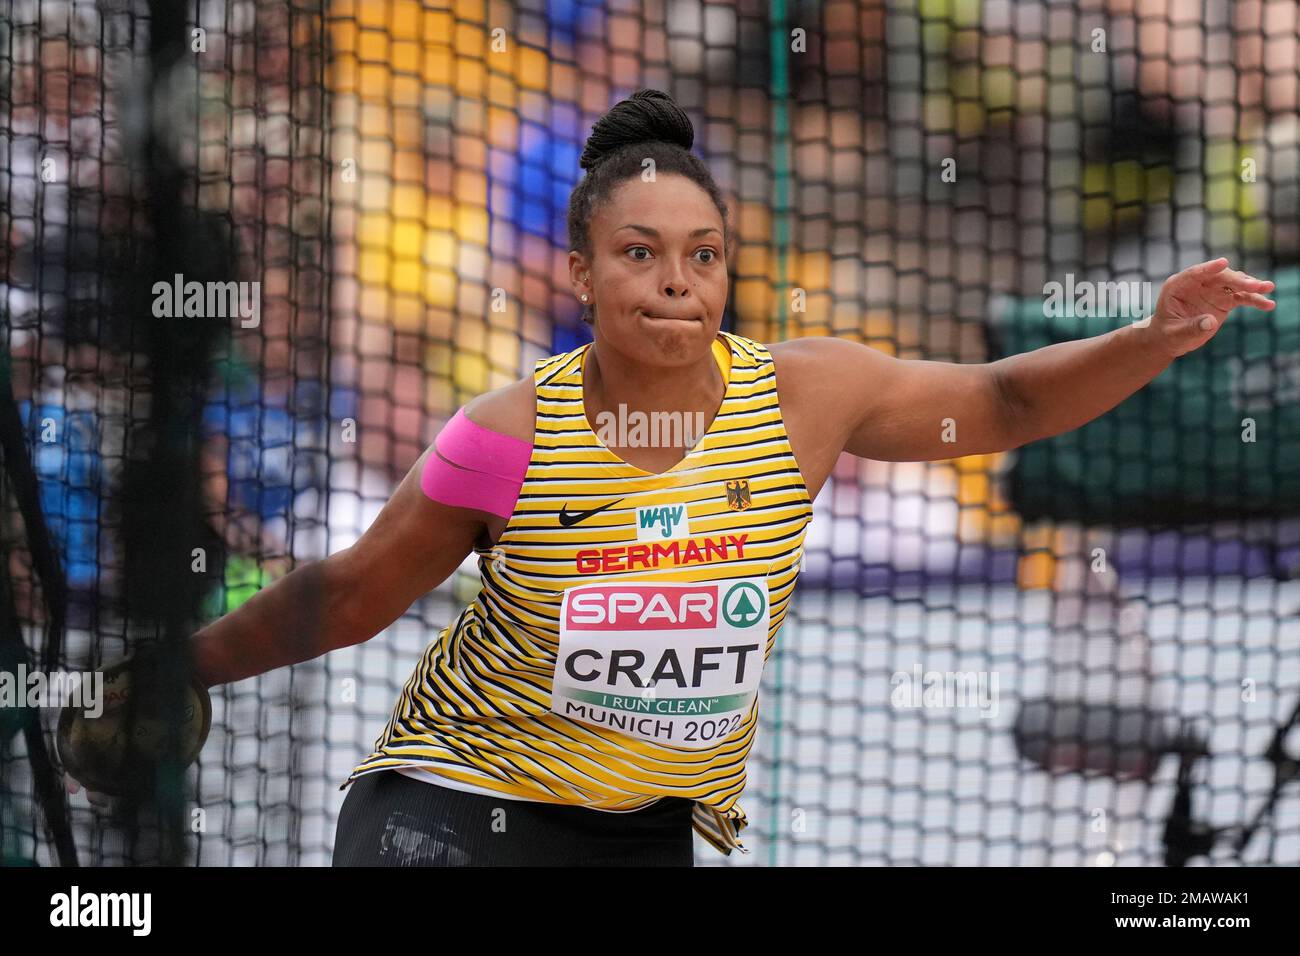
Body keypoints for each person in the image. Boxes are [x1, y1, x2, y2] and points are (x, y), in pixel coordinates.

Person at [68, 88, 1275, 866]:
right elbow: (353, 594)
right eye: (638, 254)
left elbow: (1005, 401)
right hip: (450, 805)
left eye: (701, 255)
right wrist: (181, 664)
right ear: (585, 273)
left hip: (644, 834)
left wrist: (1149, 338)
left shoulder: (809, 392)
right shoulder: (507, 429)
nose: (673, 281)